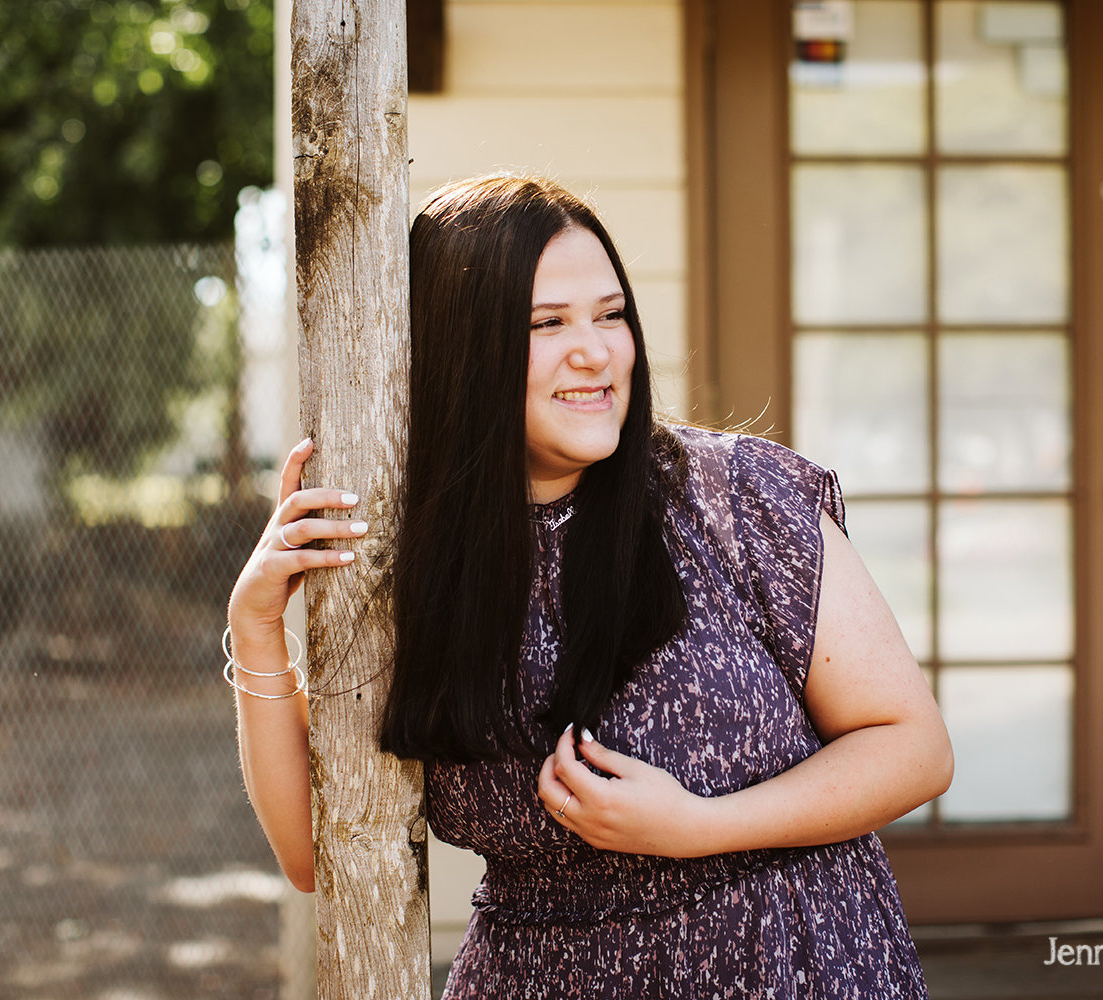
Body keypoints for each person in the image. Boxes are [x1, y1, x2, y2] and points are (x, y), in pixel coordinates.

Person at [226, 174, 953, 998]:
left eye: (611, 315)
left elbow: (913, 748)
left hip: (791, 964)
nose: (597, 352)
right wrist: (256, 628)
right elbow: (314, 856)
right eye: (547, 323)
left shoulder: (736, 497)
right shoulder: (405, 561)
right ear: (461, 347)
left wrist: (703, 826)